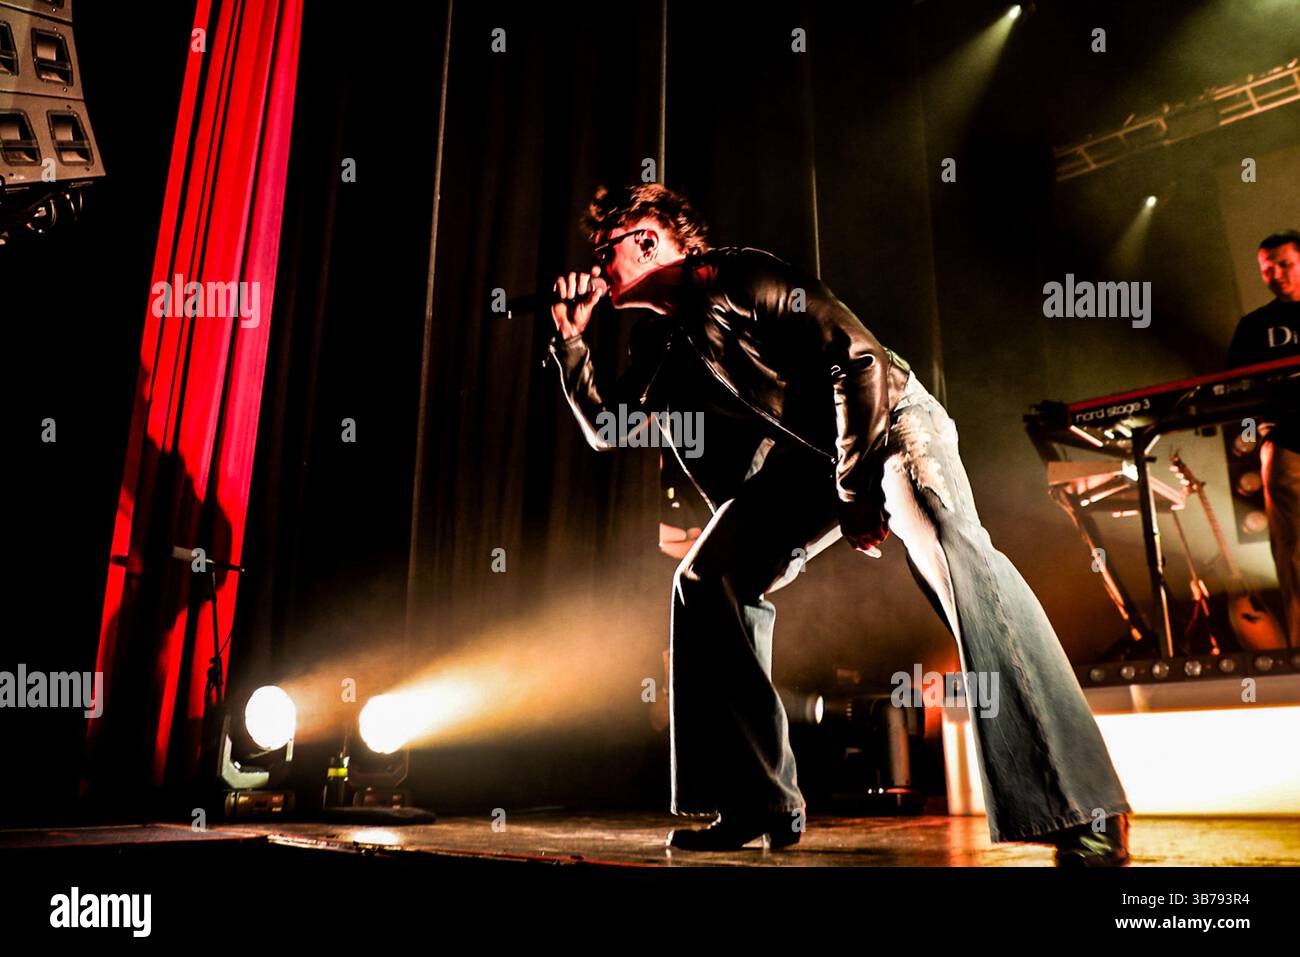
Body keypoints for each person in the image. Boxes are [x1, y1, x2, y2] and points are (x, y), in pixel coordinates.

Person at [548, 183, 1131, 865]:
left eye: (603, 249)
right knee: (706, 580)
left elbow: (857, 357)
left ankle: (1080, 801)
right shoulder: (664, 336)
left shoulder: (735, 275)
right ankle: (754, 798)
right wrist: (570, 341)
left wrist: (856, 489)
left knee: (952, 551)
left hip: (886, 420)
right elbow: (607, 428)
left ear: (648, 239)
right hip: (810, 463)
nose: (595, 264)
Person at [1227, 229, 1300, 646]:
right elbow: (1233, 389)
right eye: (1266, 269)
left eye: (1284, 264)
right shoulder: (1255, 327)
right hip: (1288, 445)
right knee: (1294, 554)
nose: (1275, 275)